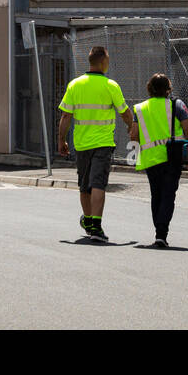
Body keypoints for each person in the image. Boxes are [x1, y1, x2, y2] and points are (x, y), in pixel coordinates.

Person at [57, 45, 134, 242]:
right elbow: (124, 111)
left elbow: (66, 116)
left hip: (81, 144)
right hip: (103, 143)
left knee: (84, 186)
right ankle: (96, 227)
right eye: (107, 60)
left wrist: (61, 140)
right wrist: (131, 126)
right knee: (98, 183)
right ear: (102, 62)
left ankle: (89, 222)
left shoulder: (75, 85)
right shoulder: (111, 85)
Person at [133, 73, 188, 248]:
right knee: (168, 195)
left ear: (149, 88)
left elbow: (133, 134)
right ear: (169, 89)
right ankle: (161, 232)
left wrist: (139, 151)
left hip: (151, 159)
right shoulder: (177, 105)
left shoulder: (140, 108)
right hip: (173, 157)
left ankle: (159, 231)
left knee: (156, 195)